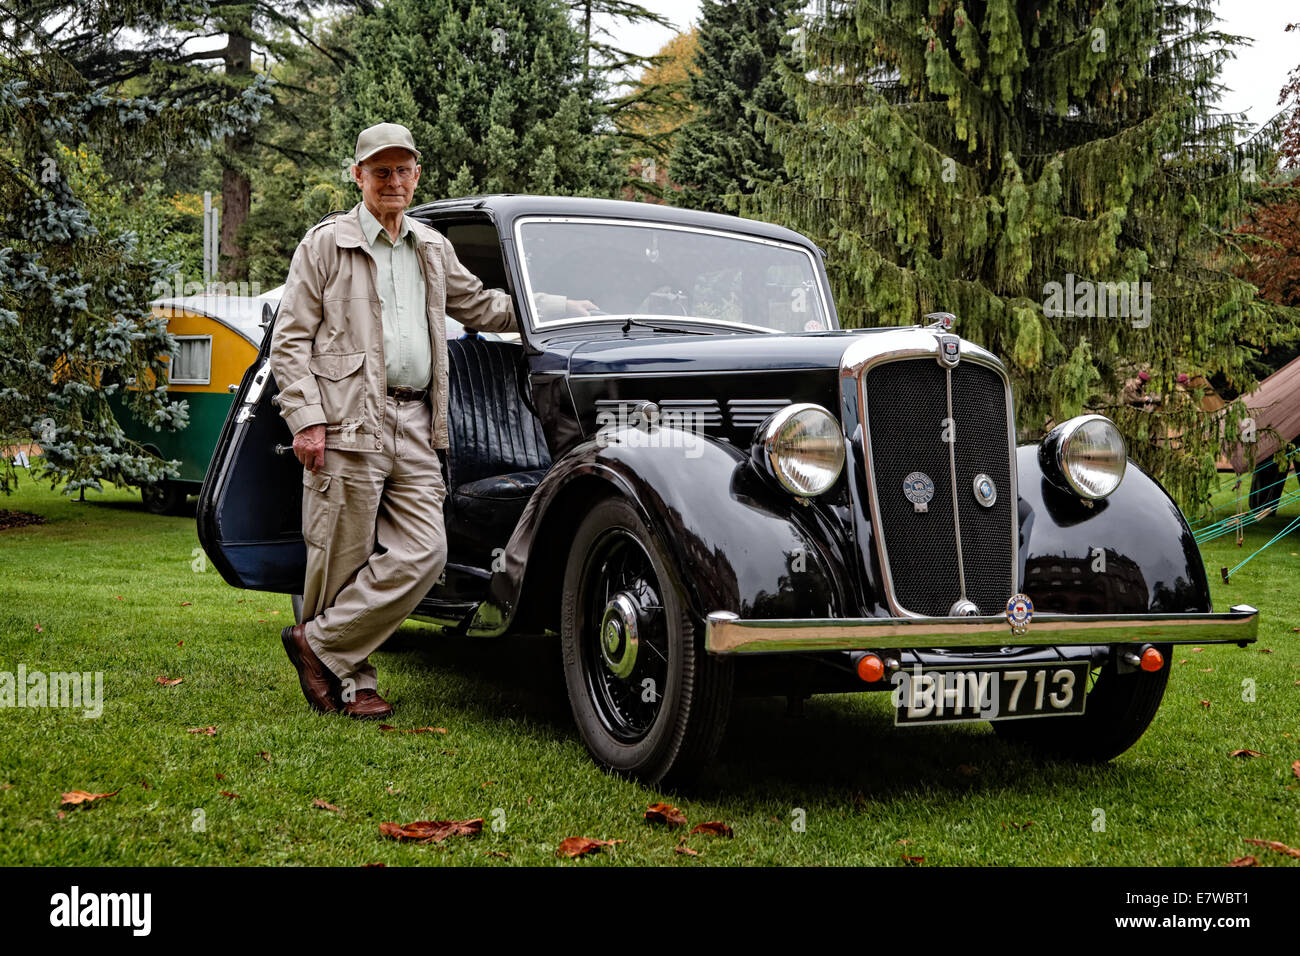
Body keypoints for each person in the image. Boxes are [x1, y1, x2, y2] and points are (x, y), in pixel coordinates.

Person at [270, 122, 592, 718]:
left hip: (416, 418)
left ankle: (317, 645)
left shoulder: (431, 247)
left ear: (417, 176)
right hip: (345, 418)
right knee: (341, 552)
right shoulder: (325, 244)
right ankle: (355, 679)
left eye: (403, 170)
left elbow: (482, 305)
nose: (393, 181)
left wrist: (557, 312)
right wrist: (306, 419)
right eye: (380, 170)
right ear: (357, 175)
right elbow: (289, 340)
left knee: (425, 551)